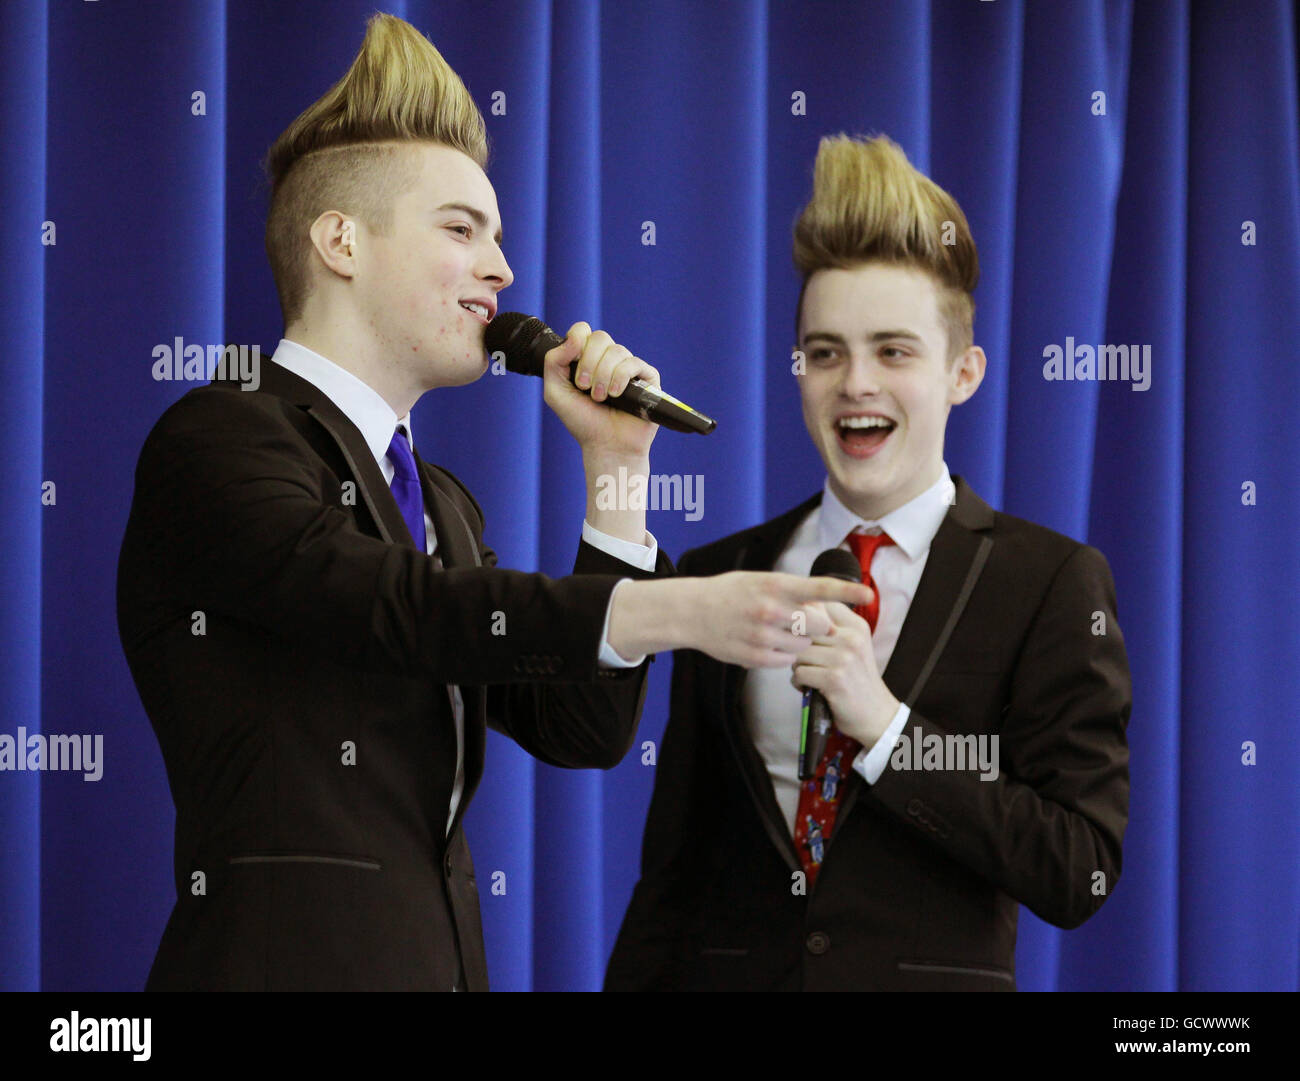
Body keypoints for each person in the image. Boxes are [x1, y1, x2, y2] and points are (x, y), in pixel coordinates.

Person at [116, 14, 869, 992]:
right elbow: (397, 609)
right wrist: (689, 608)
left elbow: (580, 729)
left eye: (500, 238)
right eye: (462, 229)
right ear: (341, 241)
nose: (503, 271)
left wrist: (617, 473)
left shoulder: (443, 503)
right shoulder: (219, 435)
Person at [605, 134, 1132, 991]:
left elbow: (1079, 866)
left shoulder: (1050, 584)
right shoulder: (723, 569)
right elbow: (670, 880)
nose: (854, 383)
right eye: (824, 352)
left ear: (963, 373)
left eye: (893, 351)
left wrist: (887, 728)